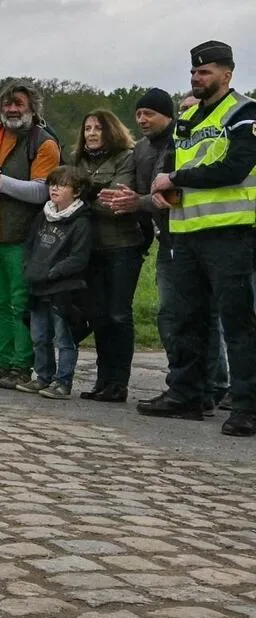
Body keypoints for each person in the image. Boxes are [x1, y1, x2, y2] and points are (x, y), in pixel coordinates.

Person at [139, 40, 256, 437]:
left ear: (227, 74)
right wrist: (163, 189)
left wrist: (176, 179)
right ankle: (187, 394)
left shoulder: (244, 112)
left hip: (230, 233)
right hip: (186, 232)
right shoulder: (188, 120)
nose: (196, 78)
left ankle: (246, 405)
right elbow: (175, 164)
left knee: (238, 323)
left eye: (205, 72)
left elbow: (236, 167)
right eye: (193, 73)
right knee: (186, 319)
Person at [101, 89, 229, 416]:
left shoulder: (187, 141)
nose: (142, 120)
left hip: (205, 236)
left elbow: (177, 193)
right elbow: (148, 196)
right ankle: (187, 386)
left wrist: (140, 202)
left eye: (150, 114)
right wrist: (138, 204)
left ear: (169, 116)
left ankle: (211, 387)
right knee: (173, 316)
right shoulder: (141, 150)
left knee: (206, 317)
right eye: (139, 114)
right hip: (168, 241)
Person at [0, 81, 61, 388]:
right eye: (7, 103)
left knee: (20, 304)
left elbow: (43, 190)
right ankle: (1, 362)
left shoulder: (45, 142)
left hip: (22, 236)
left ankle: (21, 366)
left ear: (32, 107)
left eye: (18, 103)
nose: (11, 109)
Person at [70, 109, 139, 403]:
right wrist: (92, 194)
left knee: (118, 314)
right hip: (90, 248)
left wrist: (83, 194)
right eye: (87, 128)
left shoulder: (125, 157)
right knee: (99, 315)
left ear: (111, 130)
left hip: (122, 245)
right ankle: (102, 380)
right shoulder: (77, 161)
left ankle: (118, 382)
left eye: (98, 128)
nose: (92, 133)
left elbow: (116, 201)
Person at [17, 166, 93, 399]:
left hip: (63, 289)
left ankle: (63, 382)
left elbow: (78, 258)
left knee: (64, 338)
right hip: (38, 287)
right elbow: (30, 245)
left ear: (77, 191)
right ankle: (42, 377)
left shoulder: (81, 222)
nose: (55, 189)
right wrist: (30, 267)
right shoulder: (44, 215)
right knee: (39, 336)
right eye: (52, 184)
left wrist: (53, 272)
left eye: (62, 184)